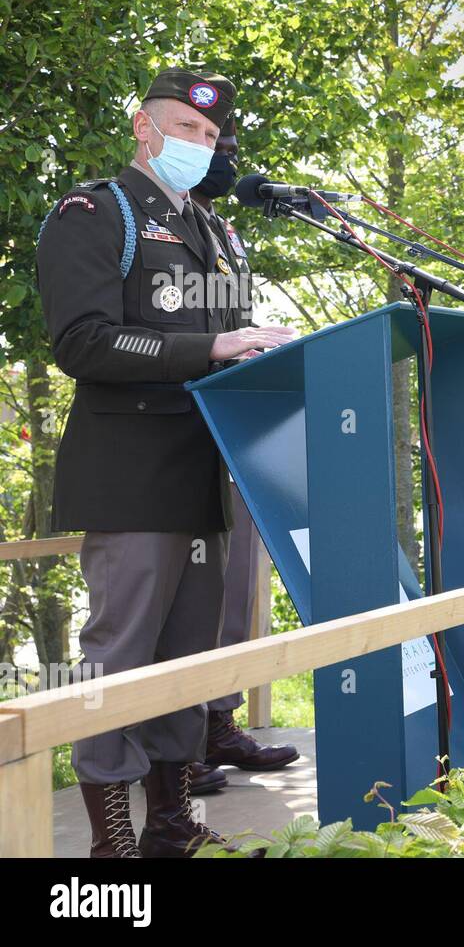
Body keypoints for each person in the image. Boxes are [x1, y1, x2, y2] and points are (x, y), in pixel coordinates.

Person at [38, 68, 297, 858]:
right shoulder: (95, 213)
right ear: (144, 129)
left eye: (212, 136)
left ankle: (174, 830)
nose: (201, 144)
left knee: (189, 661)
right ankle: (112, 844)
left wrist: (268, 353)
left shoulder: (214, 234)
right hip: (130, 475)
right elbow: (82, 341)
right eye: (186, 127)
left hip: (204, 474)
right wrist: (210, 344)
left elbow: (230, 341)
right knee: (121, 661)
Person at [187, 113, 299, 794]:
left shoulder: (228, 233)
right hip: (169, 433)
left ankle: (216, 723)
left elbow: (231, 323)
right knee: (182, 601)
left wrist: (262, 345)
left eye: (227, 147)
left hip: (235, 431)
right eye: (207, 144)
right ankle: (170, 744)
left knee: (233, 595)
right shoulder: (141, 224)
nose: (222, 159)